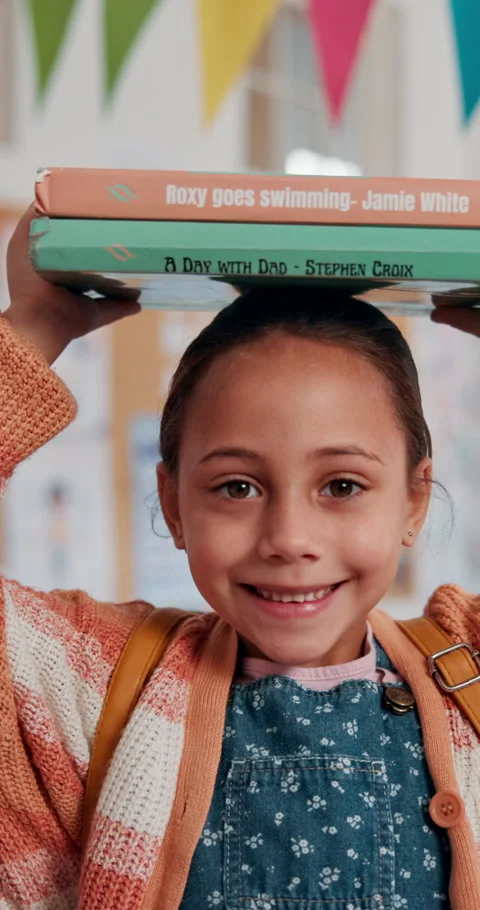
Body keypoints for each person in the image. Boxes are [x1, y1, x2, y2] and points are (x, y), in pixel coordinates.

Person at [1, 207, 479, 910]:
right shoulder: (92, 689)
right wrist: (34, 327)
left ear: (412, 501)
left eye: (342, 485)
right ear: (173, 504)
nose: (289, 537)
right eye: (237, 487)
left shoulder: (468, 676)